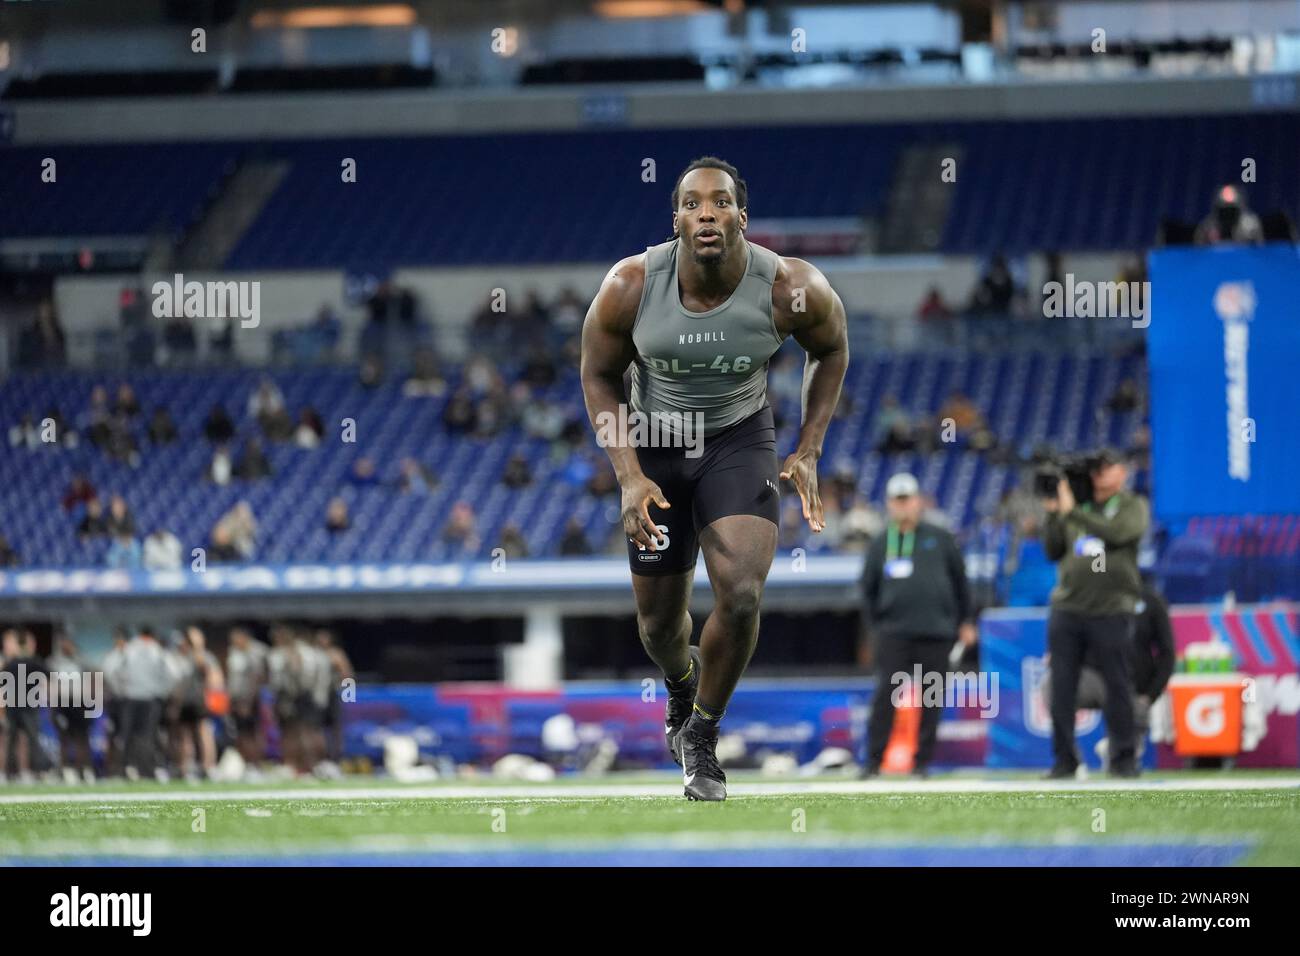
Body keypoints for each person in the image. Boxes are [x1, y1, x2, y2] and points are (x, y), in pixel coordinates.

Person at [580, 156, 849, 800]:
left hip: (738, 437)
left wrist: (809, 447)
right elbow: (596, 375)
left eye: (721, 202)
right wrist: (628, 476)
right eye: (693, 203)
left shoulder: (790, 287)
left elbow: (832, 347)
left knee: (743, 593)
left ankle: (702, 734)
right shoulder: (630, 284)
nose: (707, 213)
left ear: (741, 218)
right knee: (659, 629)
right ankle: (679, 684)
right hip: (656, 443)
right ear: (675, 219)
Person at [1041, 448, 1150, 778]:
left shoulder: (1132, 506)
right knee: (1062, 686)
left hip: (1111, 609)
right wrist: (1053, 511)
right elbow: (1052, 549)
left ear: (1123, 472)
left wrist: (1072, 511)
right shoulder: (1078, 507)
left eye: (1106, 467)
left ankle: (1123, 758)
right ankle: (1064, 760)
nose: (1099, 473)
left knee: (1117, 684)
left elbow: (1116, 534)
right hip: (1068, 608)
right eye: (1095, 468)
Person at [859, 473, 975, 778]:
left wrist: (967, 620)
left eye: (907, 499)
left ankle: (922, 763)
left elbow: (961, 582)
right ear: (889, 504)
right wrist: (877, 627)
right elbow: (867, 588)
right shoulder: (881, 541)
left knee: (931, 697)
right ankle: (873, 762)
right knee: (886, 696)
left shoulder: (939, 536)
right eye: (897, 500)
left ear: (918, 501)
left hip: (937, 631)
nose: (903, 505)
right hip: (894, 632)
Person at [1043, 577, 1174, 771]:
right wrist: (1061, 656)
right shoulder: (1084, 600)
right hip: (1095, 678)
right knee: (1052, 685)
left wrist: (1149, 695)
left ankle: (1121, 750)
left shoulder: (1149, 601)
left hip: (1133, 686)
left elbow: (1167, 654)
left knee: (1123, 759)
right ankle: (1068, 757)